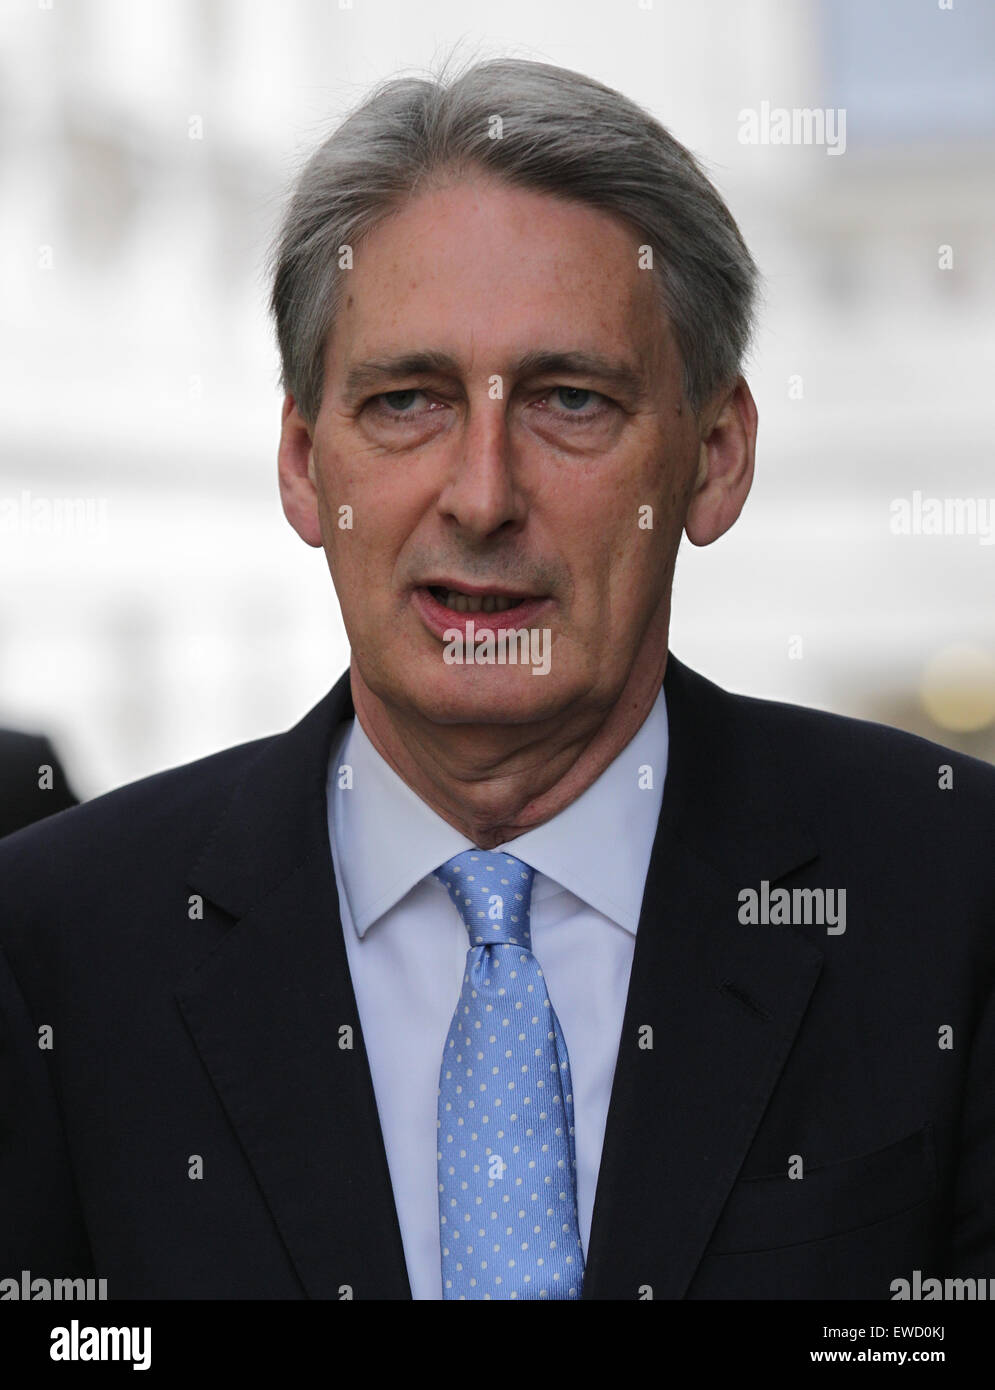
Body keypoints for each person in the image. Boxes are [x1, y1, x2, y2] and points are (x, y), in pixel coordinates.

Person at [1, 56, 992, 1302]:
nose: (480, 495)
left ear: (716, 457)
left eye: (568, 400)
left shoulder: (952, 892)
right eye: (406, 401)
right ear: (305, 466)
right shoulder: (55, 946)